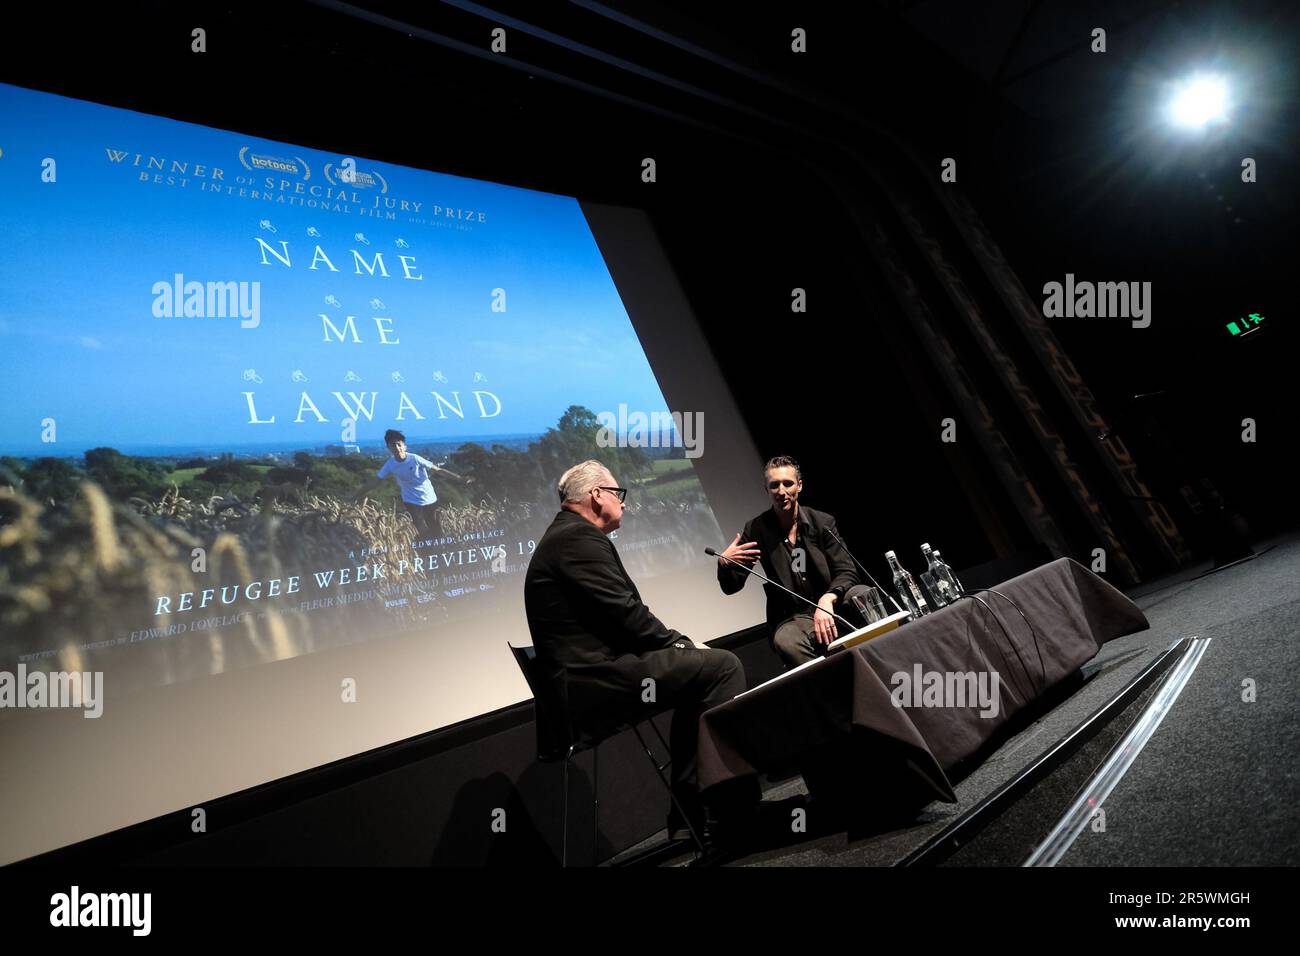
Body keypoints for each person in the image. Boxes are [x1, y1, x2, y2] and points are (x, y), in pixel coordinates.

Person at [524, 459, 754, 844]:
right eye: (619, 493)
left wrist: (681, 651)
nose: (624, 502)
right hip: (593, 682)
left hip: (591, 675)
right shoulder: (575, 539)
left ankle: (691, 813)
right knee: (721, 666)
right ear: (596, 495)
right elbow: (626, 614)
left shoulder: (568, 535)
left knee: (700, 672)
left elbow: (616, 618)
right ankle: (729, 811)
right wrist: (680, 643)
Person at [716, 455, 878, 669]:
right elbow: (731, 587)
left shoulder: (822, 522)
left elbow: (847, 571)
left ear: (799, 486)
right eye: (774, 485)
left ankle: (882, 658)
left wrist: (827, 599)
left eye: (787, 483)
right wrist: (725, 565)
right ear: (766, 489)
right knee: (786, 640)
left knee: (863, 594)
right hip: (794, 615)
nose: (781, 491)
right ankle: (826, 689)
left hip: (833, 600)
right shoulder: (756, 530)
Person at [354, 429, 459, 544]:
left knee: (436, 531)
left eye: (399, 444)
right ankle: (425, 552)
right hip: (411, 501)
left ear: (404, 446)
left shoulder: (415, 459)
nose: (397, 448)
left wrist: (459, 479)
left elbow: (438, 470)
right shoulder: (390, 464)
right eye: (393, 445)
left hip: (429, 498)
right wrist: (356, 494)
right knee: (422, 530)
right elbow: (376, 481)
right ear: (389, 448)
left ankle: (439, 553)